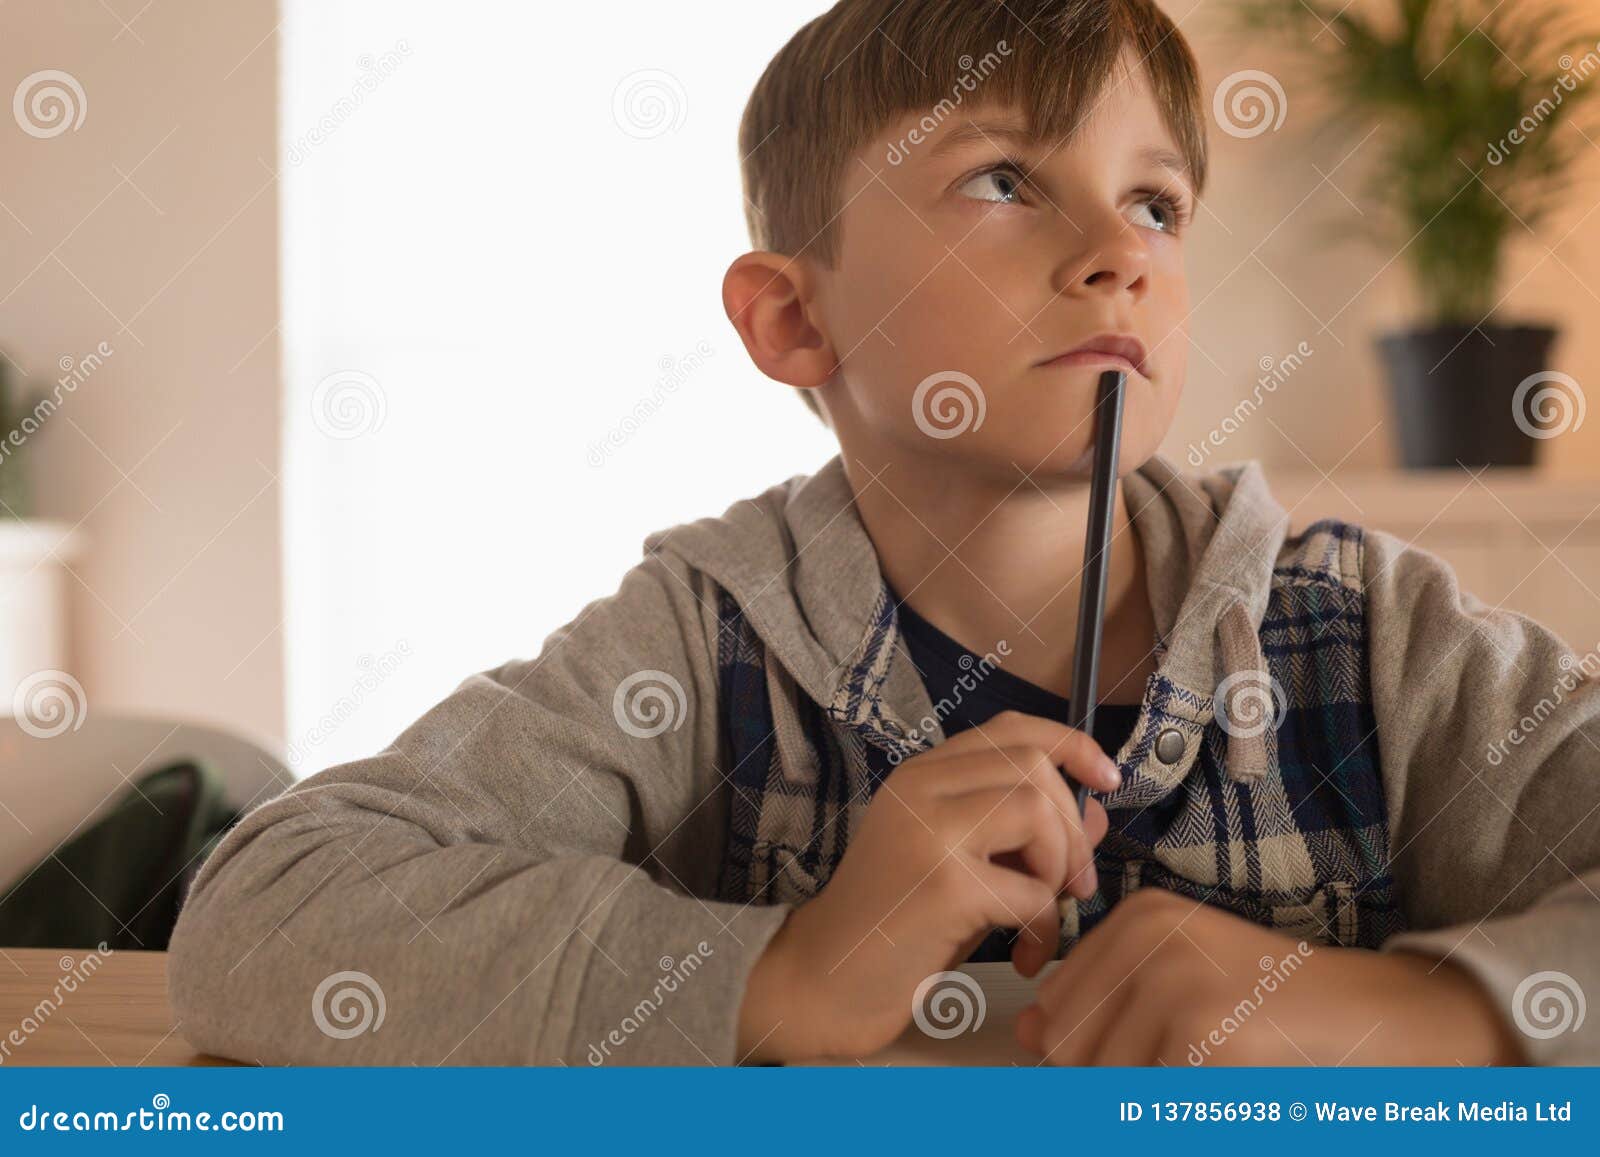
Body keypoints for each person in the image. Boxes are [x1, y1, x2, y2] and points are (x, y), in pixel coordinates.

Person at [168, 0, 1596, 1066]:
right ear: (794, 319)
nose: (1121, 249)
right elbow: (266, 915)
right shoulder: (700, 635)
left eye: (1157, 202)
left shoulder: (1379, 638)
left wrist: (1429, 1006)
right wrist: (789, 965)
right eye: (1004, 180)